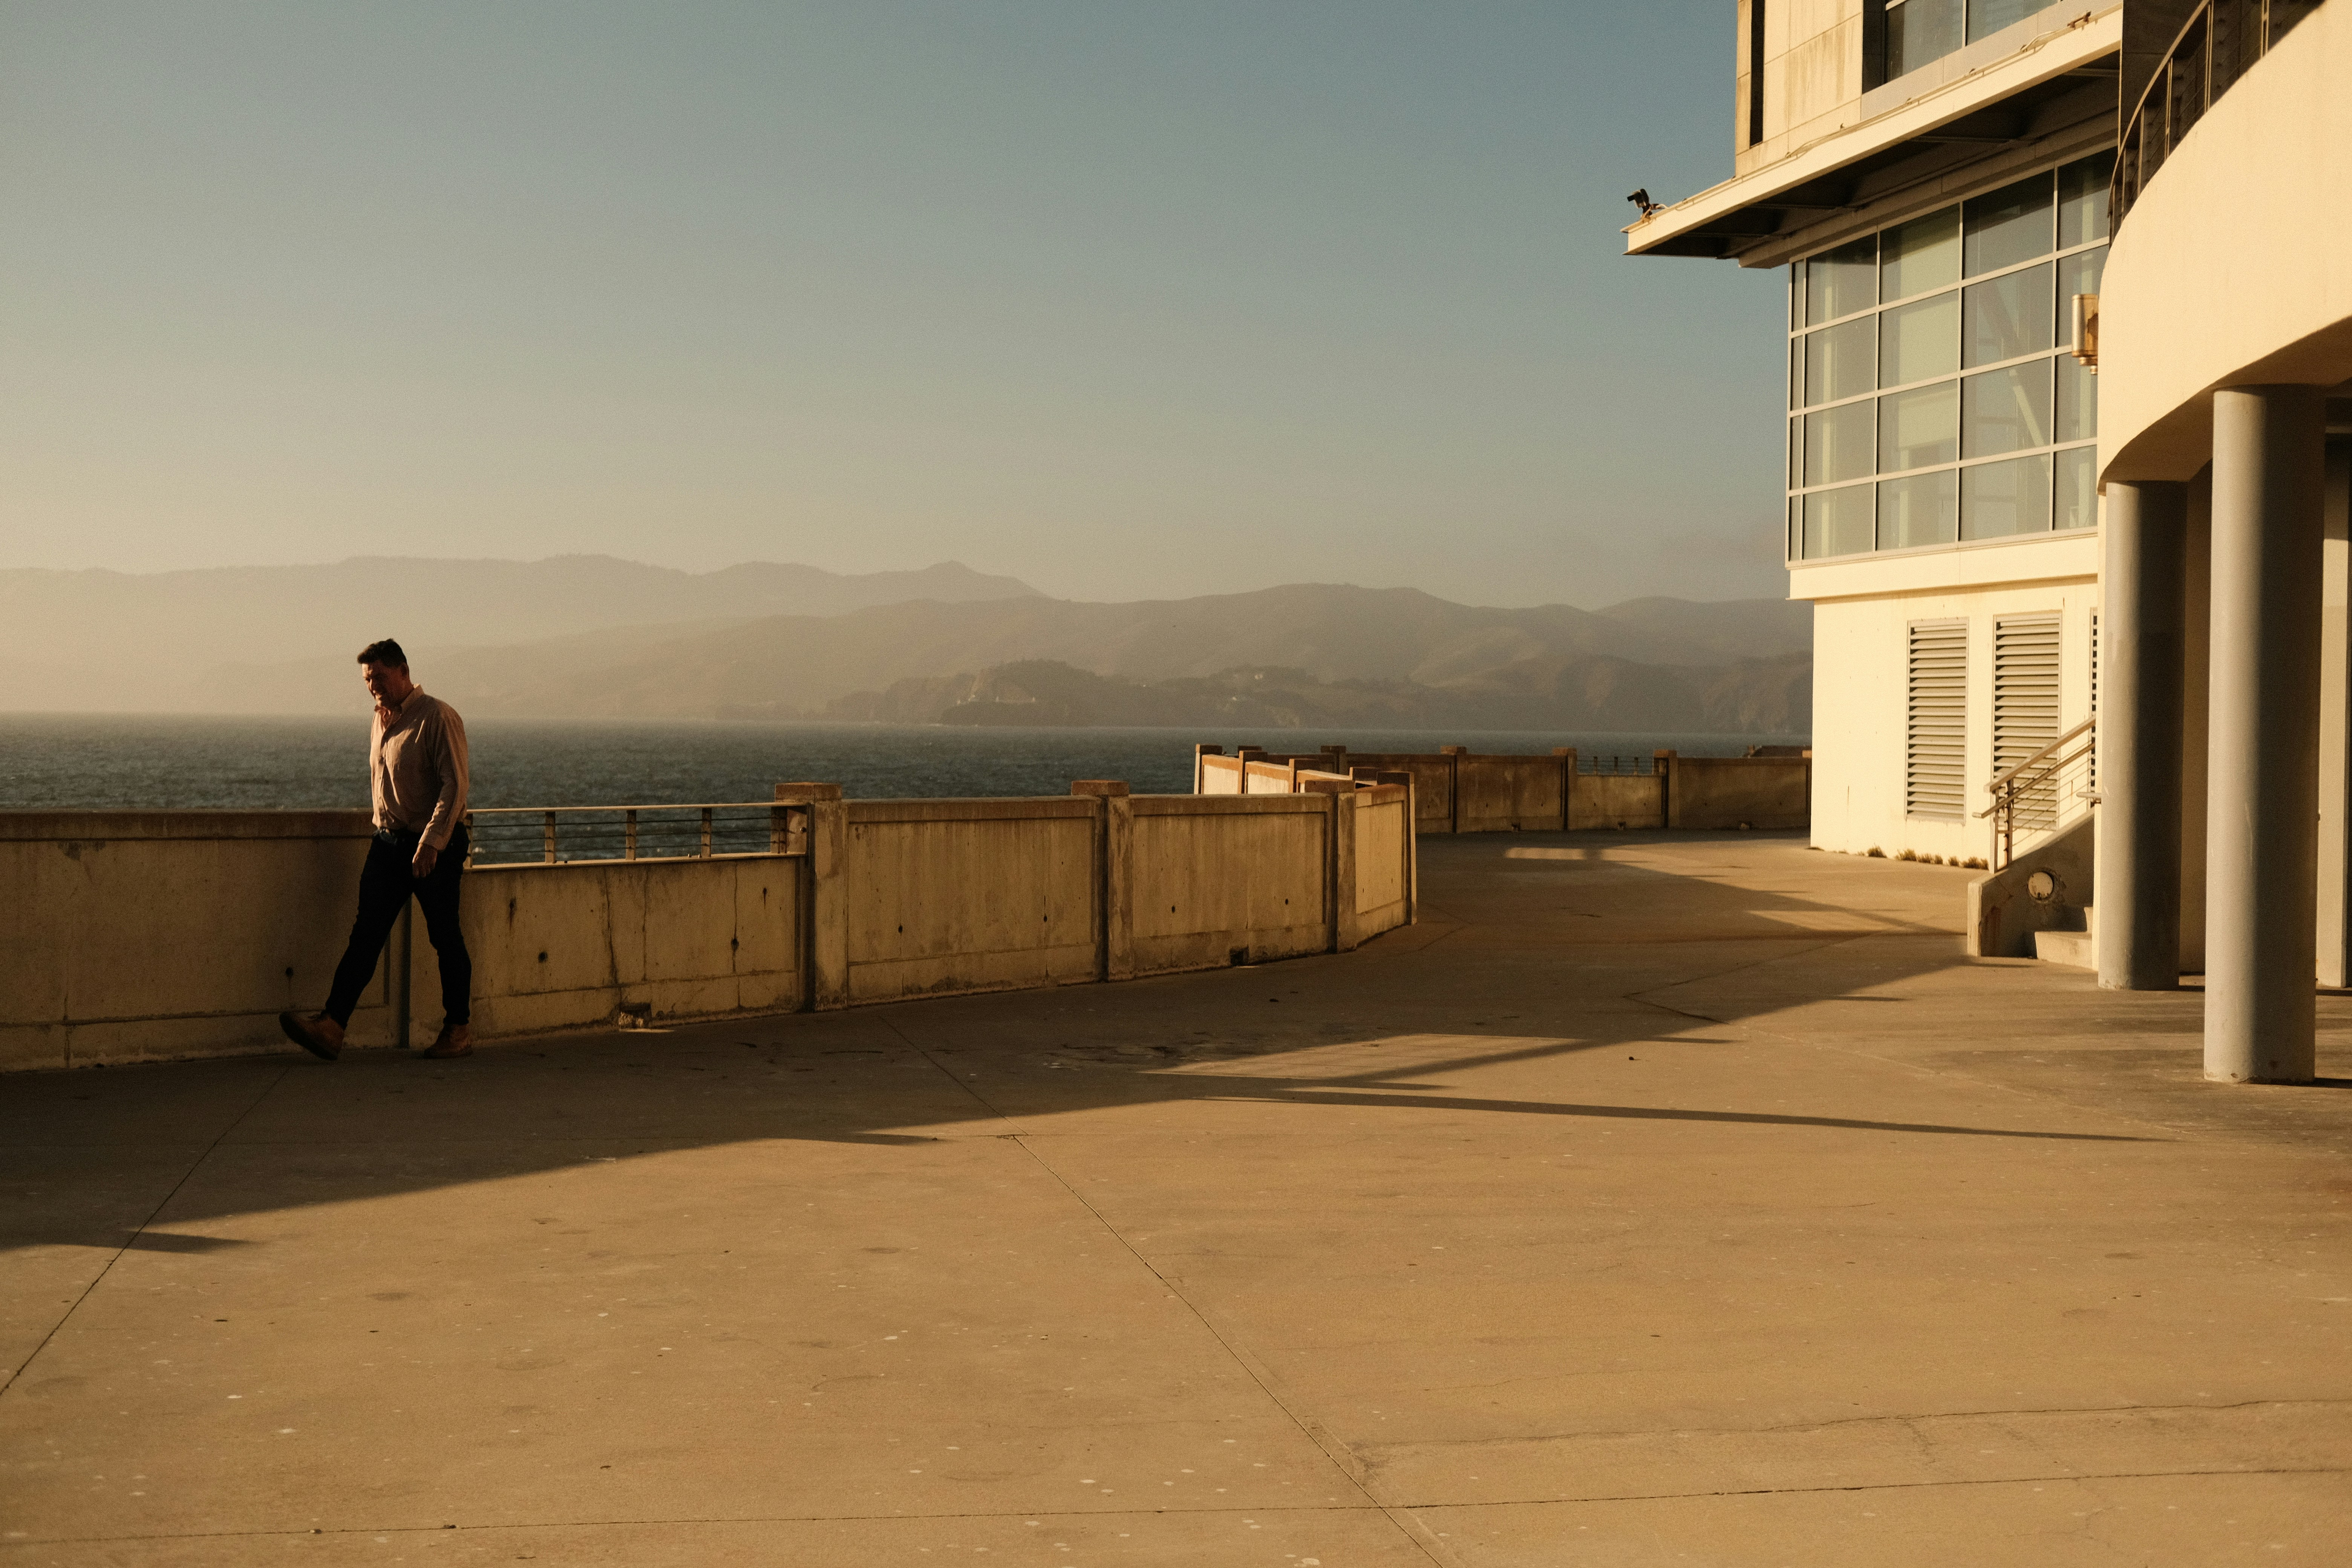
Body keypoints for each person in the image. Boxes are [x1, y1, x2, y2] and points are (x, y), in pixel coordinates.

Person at [279, 639, 475, 1061]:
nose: (374, 687)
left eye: (380, 677)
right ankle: (332, 1026)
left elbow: (455, 785)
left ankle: (458, 1029)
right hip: (387, 845)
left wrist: (431, 842)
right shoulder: (380, 718)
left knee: (445, 938)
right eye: (368, 680)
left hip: (432, 847)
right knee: (365, 937)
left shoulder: (437, 717)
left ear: (404, 671)